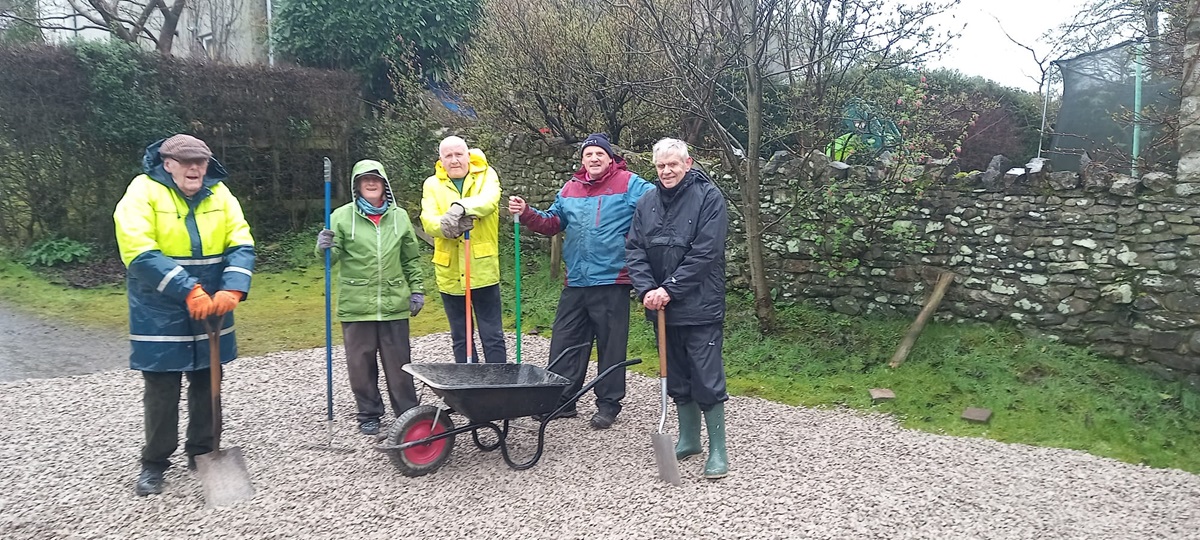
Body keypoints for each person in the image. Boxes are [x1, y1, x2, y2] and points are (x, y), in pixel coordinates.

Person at [113, 134, 255, 496]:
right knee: (162, 388)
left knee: (208, 380)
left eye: (200, 162)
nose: (194, 169)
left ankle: (202, 450)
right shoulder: (142, 191)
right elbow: (138, 250)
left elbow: (241, 241)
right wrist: (187, 289)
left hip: (213, 305)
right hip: (158, 307)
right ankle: (155, 462)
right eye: (186, 162)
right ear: (168, 164)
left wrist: (233, 287)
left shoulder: (220, 194)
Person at [507, 133, 654, 429]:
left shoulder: (629, 183)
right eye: (589, 154)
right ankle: (562, 401)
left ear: (610, 158)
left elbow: (657, 206)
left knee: (611, 347)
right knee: (566, 342)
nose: (594, 158)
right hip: (576, 280)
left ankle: (608, 405)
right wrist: (526, 213)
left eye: (600, 153)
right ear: (583, 160)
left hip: (612, 279)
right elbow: (552, 223)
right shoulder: (570, 188)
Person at [626, 138, 730, 479]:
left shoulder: (709, 197)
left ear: (688, 163)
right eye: (660, 166)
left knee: (706, 377)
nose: (666, 171)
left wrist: (669, 289)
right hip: (662, 309)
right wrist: (646, 289)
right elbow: (635, 250)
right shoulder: (646, 202)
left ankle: (718, 450)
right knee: (677, 375)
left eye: (672, 164)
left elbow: (706, 252)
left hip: (700, 306)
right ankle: (689, 439)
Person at [316, 160, 425, 436]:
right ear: (357, 185)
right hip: (356, 304)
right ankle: (369, 414)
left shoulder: (399, 217)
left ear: (384, 183)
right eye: (365, 179)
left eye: (376, 179)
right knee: (360, 365)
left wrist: (417, 289)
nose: (371, 183)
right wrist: (323, 247)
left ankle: (407, 413)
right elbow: (331, 258)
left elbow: (410, 258)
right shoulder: (340, 216)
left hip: (393, 302)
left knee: (400, 366)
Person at [420, 136, 506, 364]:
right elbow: (428, 220)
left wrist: (461, 207)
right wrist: (447, 226)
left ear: (468, 156)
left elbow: (489, 201)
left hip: (482, 269)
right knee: (460, 336)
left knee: (492, 334)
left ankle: (499, 381)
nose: (454, 160)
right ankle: (467, 382)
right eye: (448, 156)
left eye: (459, 154)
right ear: (441, 160)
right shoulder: (432, 184)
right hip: (449, 272)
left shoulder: (486, 175)